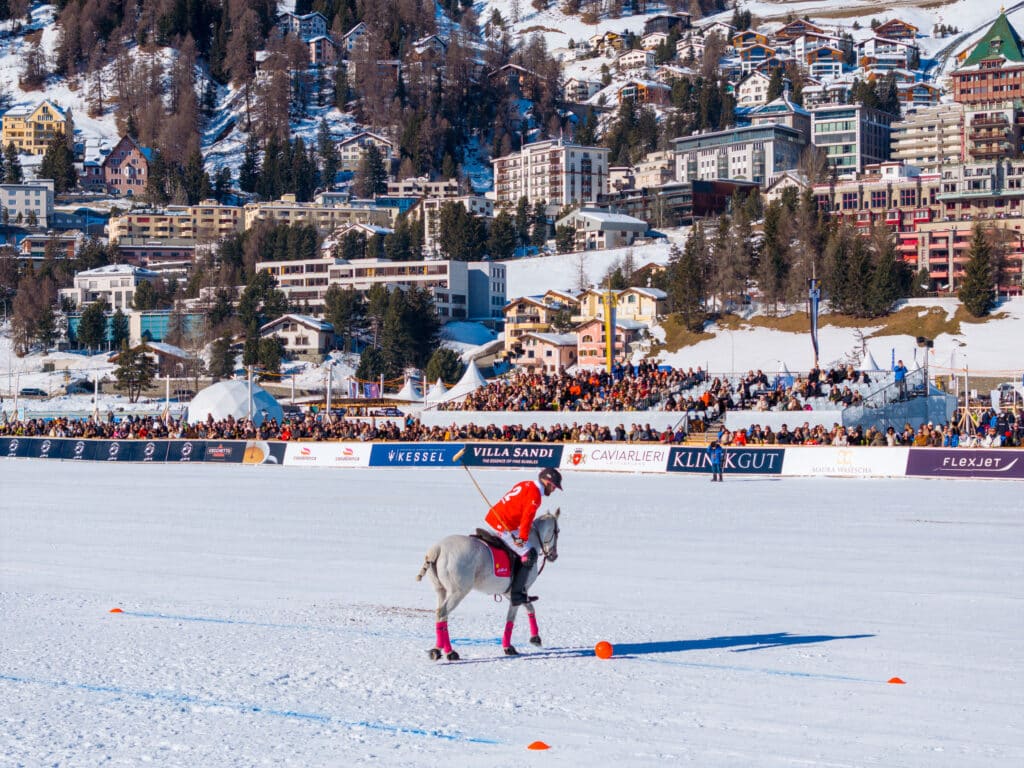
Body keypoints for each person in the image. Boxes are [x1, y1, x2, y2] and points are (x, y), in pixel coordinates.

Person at [485, 467, 563, 606]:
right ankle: (517, 594)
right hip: (504, 525)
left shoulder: (525, 483)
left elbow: (517, 507)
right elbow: (527, 518)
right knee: (530, 554)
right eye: (553, 486)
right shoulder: (535, 496)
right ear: (546, 481)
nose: (554, 490)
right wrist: (522, 538)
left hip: (495, 517)